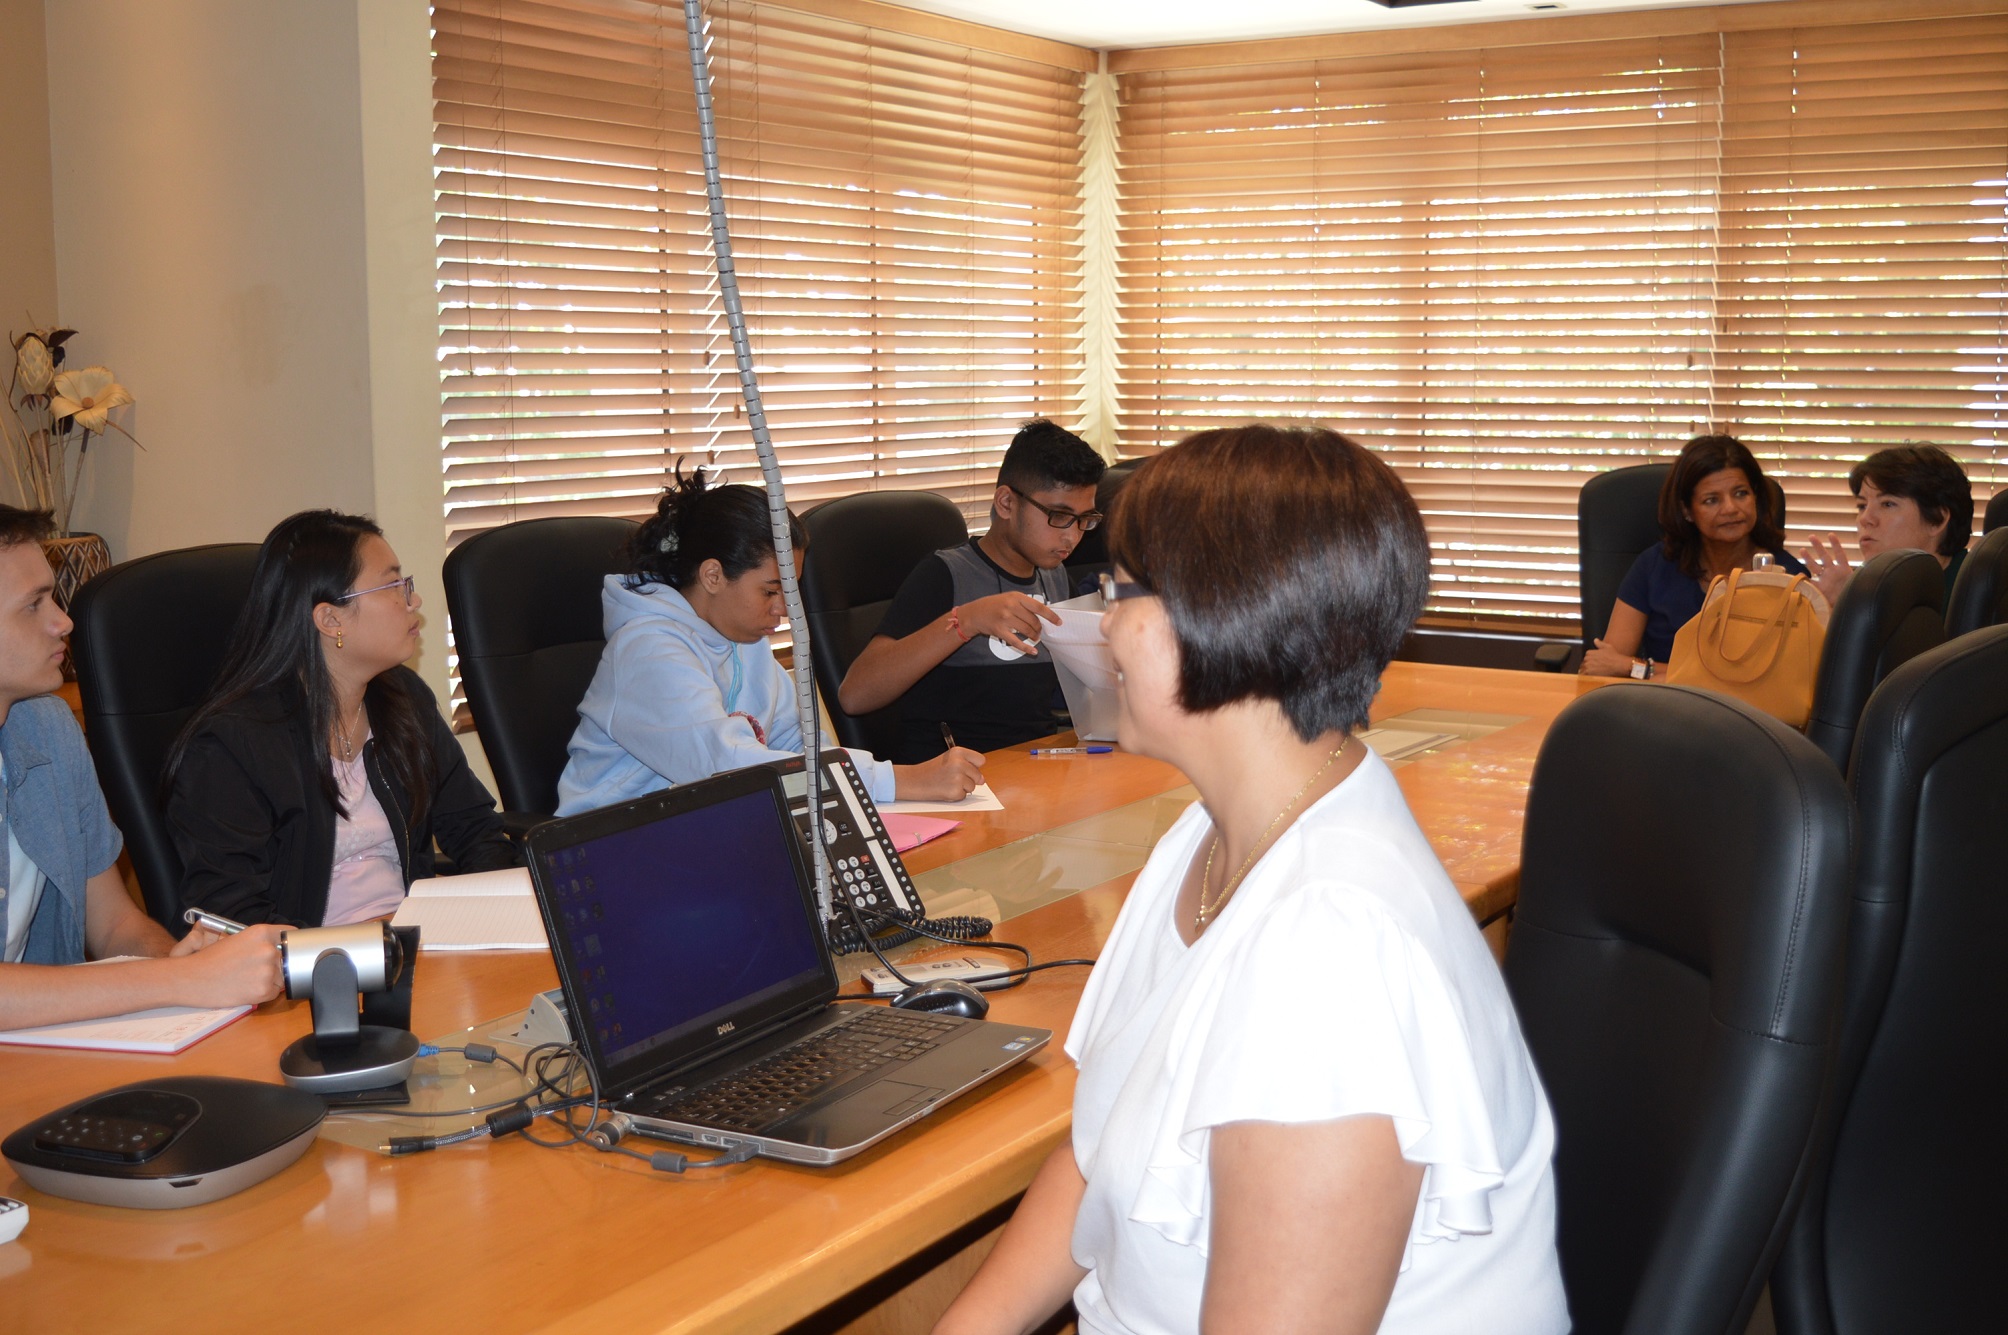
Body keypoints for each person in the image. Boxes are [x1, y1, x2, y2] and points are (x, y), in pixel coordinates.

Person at [934, 425, 1567, 1335]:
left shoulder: (1331, 952)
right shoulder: (1208, 835)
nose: (1103, 620)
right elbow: (1098, 1149)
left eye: (1122, 591)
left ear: (1227, 616)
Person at [556, 467, 984, 818]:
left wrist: (865, 787)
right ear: (712, 576)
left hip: (709, 829)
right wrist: (900, 781)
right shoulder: (647, 650)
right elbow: (727, 769)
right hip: (614, 844)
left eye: (791, 591)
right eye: (769, 591)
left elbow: (800, 747)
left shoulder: (743, 638)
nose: (783, 610)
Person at [0, 505, 282, 1030]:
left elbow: (112, 924)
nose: (62, 621)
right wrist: (181, 983)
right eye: (33, 604)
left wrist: (179, 958)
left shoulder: (48, 727)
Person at [166, 510, 517, 928]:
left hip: (413, 945)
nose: (414, 600)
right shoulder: (230, 747)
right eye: (394, 585)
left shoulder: (403, 700)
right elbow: (232, 915)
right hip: (307, 972)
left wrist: (496, 922)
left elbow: (475, 830)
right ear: (330, 619)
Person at [839, 419, 1106, 761]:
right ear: (1007, 503)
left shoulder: (1054, 575)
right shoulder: (946, 575)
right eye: (1058, 516)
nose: (1072, 536)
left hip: (1035, 764)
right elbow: (855, 695)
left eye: (1085, 519)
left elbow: (1083, 685)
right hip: (956, 778)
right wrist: (965, 621)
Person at [1582, 434, 1807, 678]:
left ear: (1757, 498)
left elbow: (1755, 683)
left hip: (1741, 715)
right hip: (1657, 708)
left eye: (1741, 493)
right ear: (1687, 511)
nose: (1731, 508)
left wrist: (1639, 668)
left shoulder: (1790, 578)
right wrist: (1631, 669)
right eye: (1712, 500)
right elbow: (1604, 666)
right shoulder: (1654, 565)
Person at [1800, 443, 1973, 608]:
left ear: (1937, 519)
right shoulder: (1877, 584)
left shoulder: (1973, 592)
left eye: (1888, 504)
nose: (1865, 519)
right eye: (1862, 506)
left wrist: (1853, 604)